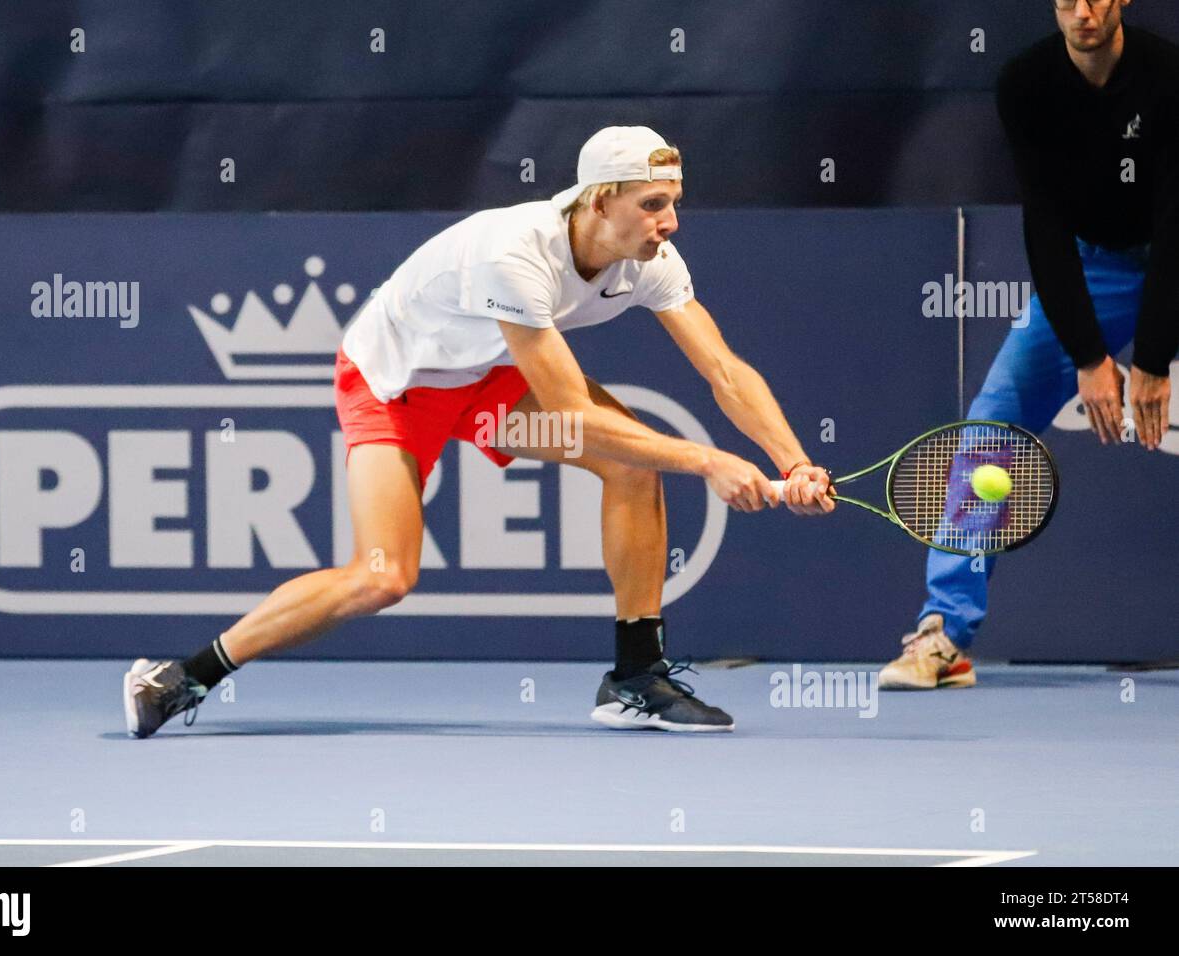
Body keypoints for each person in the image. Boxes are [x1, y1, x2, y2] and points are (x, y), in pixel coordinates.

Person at [125, 125, 834, 737]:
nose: (670, 221)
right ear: (597, 200)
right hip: (395, 382)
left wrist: (794, 461)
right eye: (653, 205)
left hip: (489, 376)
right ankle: (182, 676)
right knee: (383, 577)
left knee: (630, 463)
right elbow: (570, 412)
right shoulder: (515, 253)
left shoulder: (647, 259)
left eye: (674, 203)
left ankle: (634, 679)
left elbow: (724, 370)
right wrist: (709, 461)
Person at [881, 0, 1178, 689]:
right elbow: (1044, 222)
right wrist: (1088, 356)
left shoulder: (1168, 76)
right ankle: (945, 633)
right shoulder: (1027, 83)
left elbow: (1177, 215)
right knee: (991, 427)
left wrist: (1154, 359)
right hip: (1091, 264)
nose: (1084, 11)